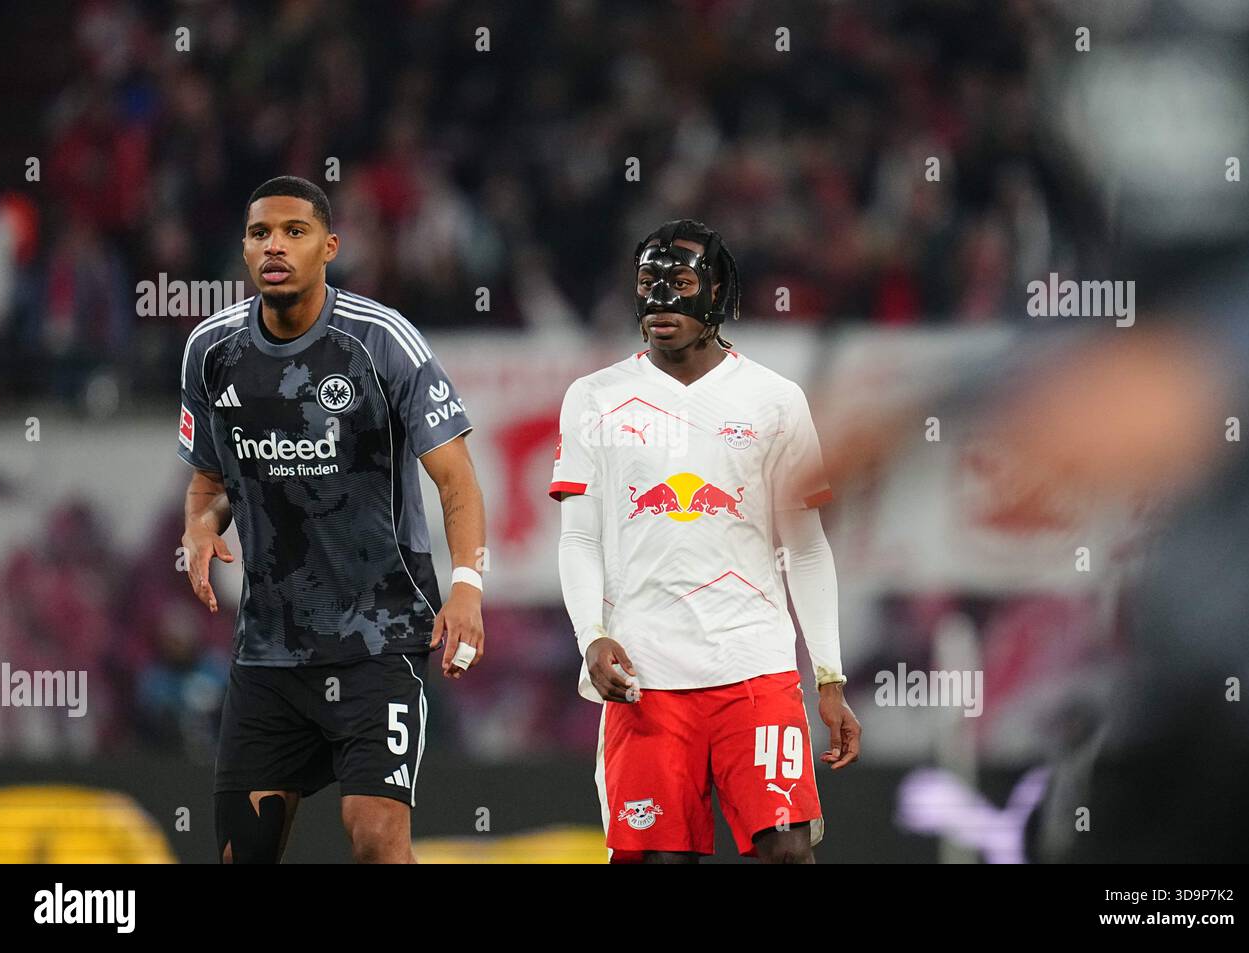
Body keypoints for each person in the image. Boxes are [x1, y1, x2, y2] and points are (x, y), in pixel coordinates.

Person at [177, 176, 486, 864]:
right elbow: (211, 479)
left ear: (330, 247)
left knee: (376, 836)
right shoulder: (211, 350)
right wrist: (200, 529)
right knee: (242, 854)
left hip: (380, 639)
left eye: (295, 231)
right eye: (260, 233)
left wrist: (467, 585)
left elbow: (456, 479)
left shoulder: (383, 343)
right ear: (245, 250)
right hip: (270, 651)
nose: (275, 246)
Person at [551, 219, 861, 863]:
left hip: (755, 667)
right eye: (647, 285)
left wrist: (829, 674)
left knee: (788, 852)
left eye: (681, 284)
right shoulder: (595, 398)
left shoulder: (774, 399)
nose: (662, 302)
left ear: (717, 291)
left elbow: (805, 547)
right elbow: (579, 537)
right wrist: (591, 636)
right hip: (646, 675)